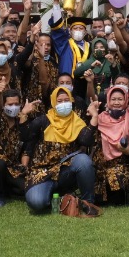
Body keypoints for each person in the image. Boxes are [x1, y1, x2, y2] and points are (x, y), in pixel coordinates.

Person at [23, 85, 97, 214]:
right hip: (43, 173)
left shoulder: (76, 121)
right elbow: (26, 139)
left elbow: (86, 140)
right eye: (60, 101)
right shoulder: (42, 121)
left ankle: (87, 203)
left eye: (66, 100)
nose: (64, 104)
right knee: (36, 203)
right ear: (53, 102)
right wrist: (23, 114)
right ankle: (58, 197)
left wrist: (94, 117)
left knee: (83, 161)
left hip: (65, 172)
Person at [91, 85, 129, 205]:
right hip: (101, 166)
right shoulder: (101, 118)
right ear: (108, 100)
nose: (116, 103)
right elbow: (90, 139)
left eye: (120, 99)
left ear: (126, 101)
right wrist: (94, 115)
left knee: (116, 200)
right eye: (113, 99)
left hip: (122, 165)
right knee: (99, 199)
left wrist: (127, 151)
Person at [0, 85, 29, 208]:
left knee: (26, 189)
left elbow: (26, 145)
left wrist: (24, 167)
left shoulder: (22, 121)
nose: (13, 107)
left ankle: (6, 188)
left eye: (16, 104)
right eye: (10, 104)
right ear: (4, 105)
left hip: (12, 168)